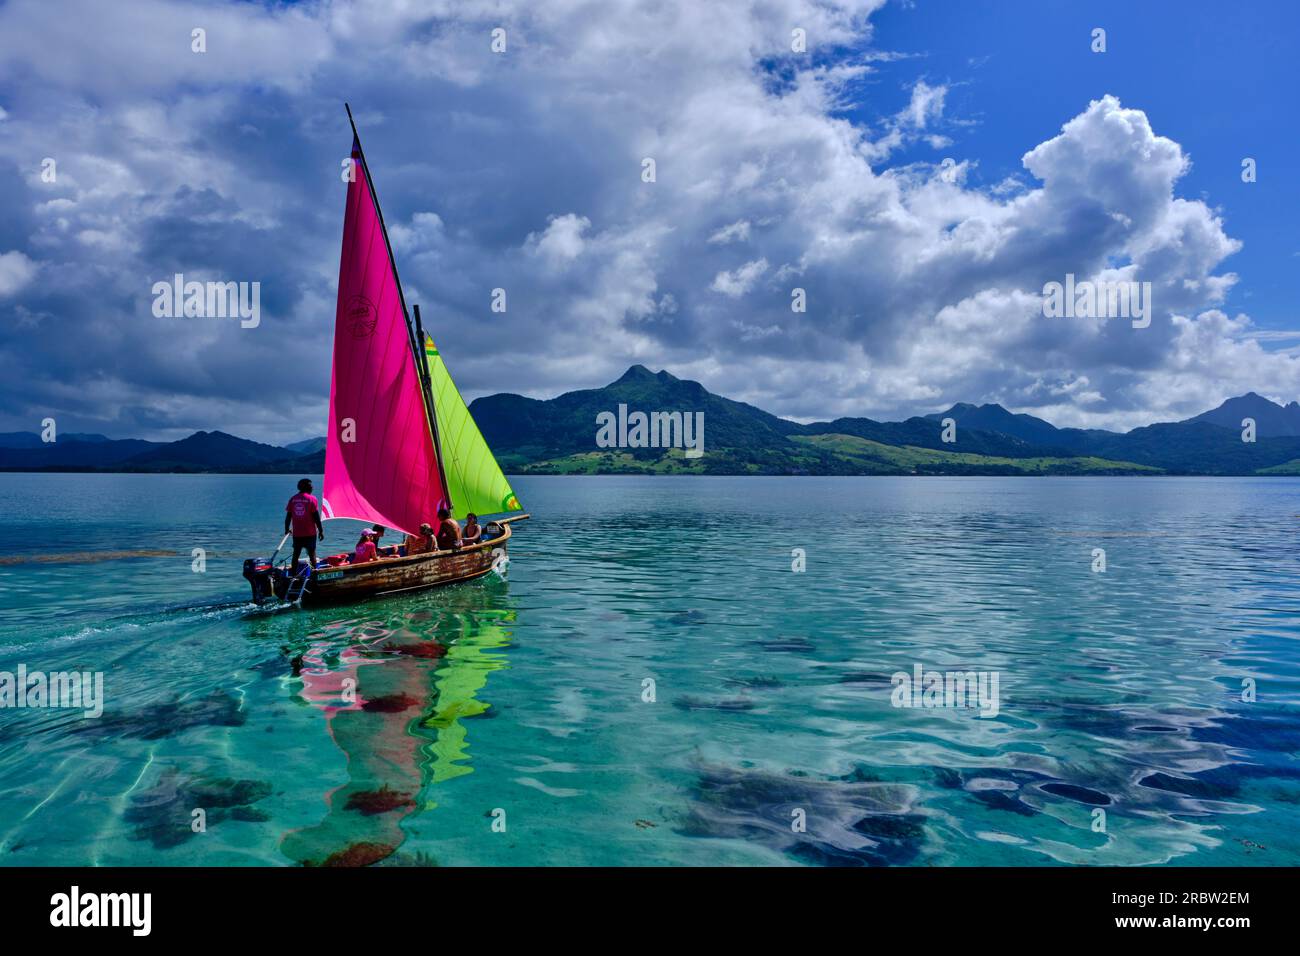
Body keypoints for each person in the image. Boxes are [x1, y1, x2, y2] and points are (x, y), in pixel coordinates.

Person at [285, 478, 324, 573]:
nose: (313, 488)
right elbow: (316, 517)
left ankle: (293, 573)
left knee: (296, 554)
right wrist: (321, 530)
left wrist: (286, 529)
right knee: (312, 554)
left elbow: (288, 517)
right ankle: (315, 573)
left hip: (297, 533)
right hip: (310, 532)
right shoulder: (312, 499)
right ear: (307, 487)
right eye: (311, 486)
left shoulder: (293, 499)